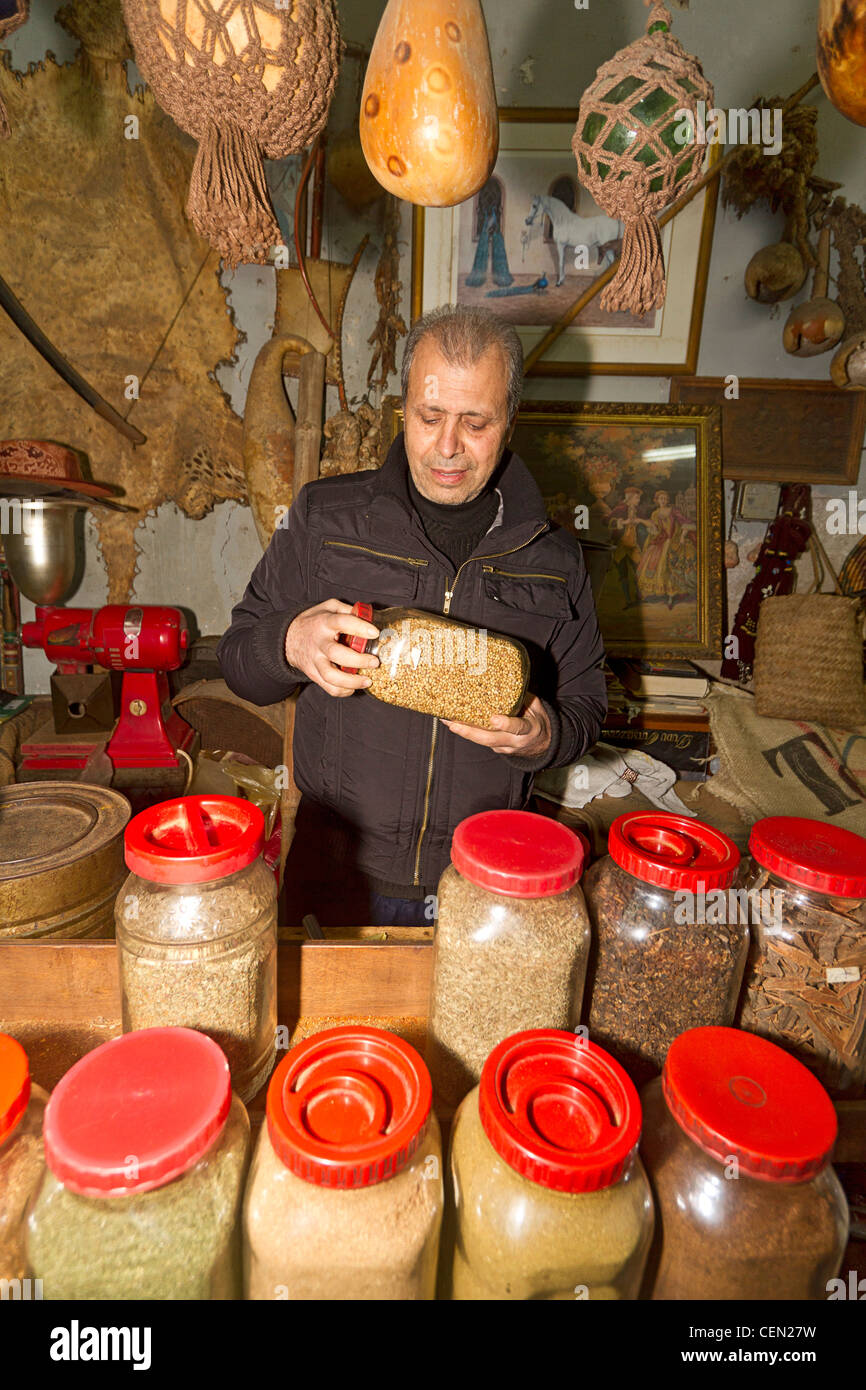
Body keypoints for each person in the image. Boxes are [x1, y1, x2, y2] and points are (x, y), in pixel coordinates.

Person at [218, 305, 607, 928]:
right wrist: (290, 643)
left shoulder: (556, 557)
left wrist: (545, 735)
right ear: (404, 408)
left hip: (486, 880)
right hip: (337, 875)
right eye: (430, 418)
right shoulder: (324, 519)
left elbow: (586, 706)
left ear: (509, 420)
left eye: (475, 422)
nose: (447, 447)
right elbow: (238, 660)